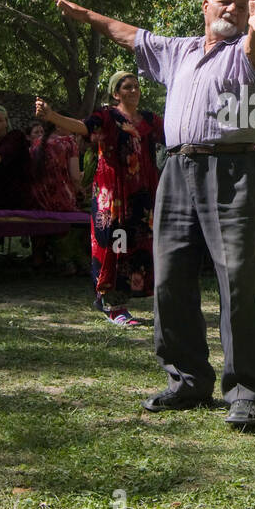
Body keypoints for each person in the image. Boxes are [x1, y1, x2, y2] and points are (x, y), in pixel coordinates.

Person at [52, 0, 255, 429]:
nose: (232, 8)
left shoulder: (254, 52)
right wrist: (85, 16)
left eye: (240, 3)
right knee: (170, 275)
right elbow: (128, 33)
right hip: (177, 170)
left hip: (232, 168)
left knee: (236, 279)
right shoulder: (179, 50)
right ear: (205, 6)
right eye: (224, 2)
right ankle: (188, 380)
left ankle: (247, 392)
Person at [36, 71, 163, 325]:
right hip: (112, 193)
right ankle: (113, 305)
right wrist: (51, 116)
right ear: (116, 93)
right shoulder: (106, 116)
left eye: (136, 86)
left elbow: (175, 134)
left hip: (142, 194)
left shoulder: (149, 119)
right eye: (127, 87)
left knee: (137, 246)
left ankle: (113, 299)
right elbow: (82, 127)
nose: (134, 90)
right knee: (111, 246)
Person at [27, 118, 84, 276]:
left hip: (37, 199)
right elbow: (74, 176)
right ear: (59, 125)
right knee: (82, 211)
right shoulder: (69, 142)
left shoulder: (36, 143)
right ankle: (68, 260)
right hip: (61, 201)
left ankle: (38, 258)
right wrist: (80, 189)